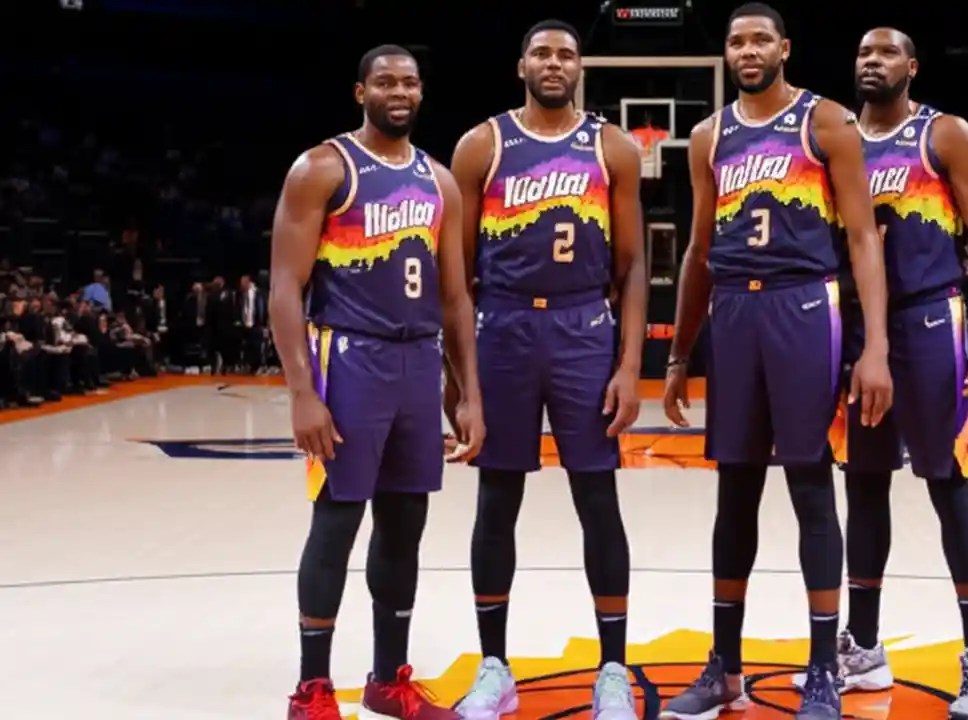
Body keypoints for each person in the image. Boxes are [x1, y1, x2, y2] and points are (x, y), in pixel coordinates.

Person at [660, 4, 893, 720]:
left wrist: (875, 346)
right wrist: (677, 355)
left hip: (802, 305)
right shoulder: (709, 135)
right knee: (735, 492)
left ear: (784, 47)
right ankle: (722, 667)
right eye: (737, 40)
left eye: (761, 38)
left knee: (809, 485)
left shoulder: (824, 122)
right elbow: (699, 250)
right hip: (732, 311)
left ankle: (824, 667)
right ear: (726, 54)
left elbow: (861, 238)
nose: (749, 49)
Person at [270, 44, 485, 720]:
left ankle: (387, 679)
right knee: (336, 522)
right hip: (349, 359)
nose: (399, 91)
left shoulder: (438, 180)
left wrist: (468, 391)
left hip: (417, 362)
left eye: (410, 82)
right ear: (360, 91)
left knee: (404, 526)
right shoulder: (322, 168)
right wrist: (302, 391)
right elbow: (285, 285)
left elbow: (455, 298)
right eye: (385, 81)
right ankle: (312, 689)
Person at [445, 19, 647, 720]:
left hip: (583, 326)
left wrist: (630, 365)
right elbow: (456, 272)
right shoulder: (482, 144)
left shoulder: (611, 145)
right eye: (542, 52)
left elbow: (632, 264)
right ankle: (494, 665)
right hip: (502, 326)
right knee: (496, 500)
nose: (554, 63)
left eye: (565, 53)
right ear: (521, 64)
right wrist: (462, 379)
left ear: (580, 67)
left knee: (599, 500)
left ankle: (614, 670)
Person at [813, 27, 968, 720]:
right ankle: (863, 648)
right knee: (863, 486)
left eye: (886, 52)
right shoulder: (835, 137)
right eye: (863, 52)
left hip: (930, 321)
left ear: (912, 66)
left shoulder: (944, 134)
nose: (872, 61)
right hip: (858, 329)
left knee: (947, 483)